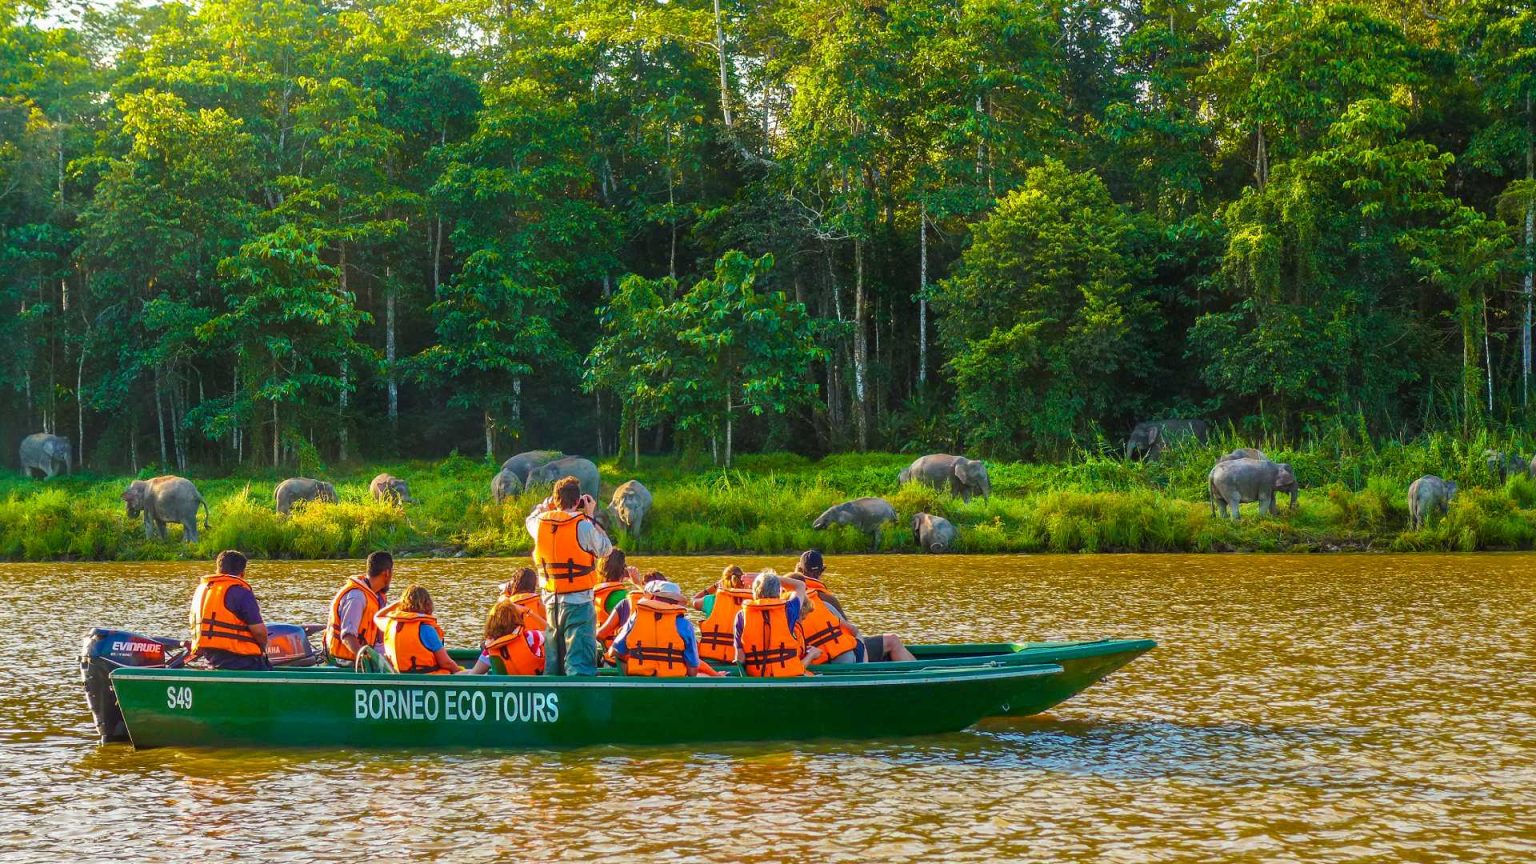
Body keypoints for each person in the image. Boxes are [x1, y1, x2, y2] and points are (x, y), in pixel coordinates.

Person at [527, 476, 613, 676]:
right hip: (579, 602)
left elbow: (530, 518)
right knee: (580, 662)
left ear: (555, 500)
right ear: (577, 502)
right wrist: (590, 515)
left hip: (550, 603)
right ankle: (579, 702)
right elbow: (606, 550)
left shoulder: (539, 524)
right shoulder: (583, 525)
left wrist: (544, 507)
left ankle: (554, 698)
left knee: (553, 661)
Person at [793, 549, 915, 664]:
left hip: (813, 656)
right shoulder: (825, 599)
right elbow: (850, 631)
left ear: (800, 570)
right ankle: (918, 673)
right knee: (893, 640)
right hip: (840, 655)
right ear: (821, 572)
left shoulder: (791, 595)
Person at [189, 550, 270, 670]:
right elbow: (259, 632)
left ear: (218, 570)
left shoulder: (202, 590)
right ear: (242, 573)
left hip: (210, 657)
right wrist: (263, 648)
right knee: (265, 666)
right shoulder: (241, 592)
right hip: (240, 660)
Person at [734, 570, 820, 677]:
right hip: (788, 674)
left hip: (756, 676)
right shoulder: (789, 610)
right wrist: (774, 578)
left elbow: (740, 658)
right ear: (778, 592)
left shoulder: (741, 616)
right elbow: (800, 585)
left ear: (754, 593)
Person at [608, 581, 702, 677]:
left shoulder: (635, 618)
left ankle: (627, 684)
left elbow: (614, 651)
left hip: (640, 680)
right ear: (676, 602)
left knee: (621, 655)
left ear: (653, 599)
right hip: (673, 681)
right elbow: (692, 667)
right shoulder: (685, 625)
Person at [324, 550, 393, 665]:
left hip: (367, 654)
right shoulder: (357, 598)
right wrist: (367, 661)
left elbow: (378, 640)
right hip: (347, 661)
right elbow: (347, 636)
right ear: (386, 573)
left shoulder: (377, 597)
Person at [376, 584, 461, 674]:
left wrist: (399, 603)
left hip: (399, 676)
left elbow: (377, 616)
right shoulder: (427, 630)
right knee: (459, 671)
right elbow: (446, 663)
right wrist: (459, 671)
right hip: (426, 679)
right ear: (428, 604)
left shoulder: (390, 625)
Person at [464, 598, 545, 675]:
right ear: (516, 619)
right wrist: (529, 611)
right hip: (533, 685)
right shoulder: (531, 637)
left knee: (466, 672)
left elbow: (473, 674)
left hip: (506, 687)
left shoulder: (490, 649)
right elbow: (552, 632)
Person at [694, 565, 755, 664]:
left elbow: (694, 599)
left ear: (722, 581)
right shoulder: (751, 602)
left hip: (710, 660)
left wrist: (713, 587)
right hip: (739, 661)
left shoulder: (711, 600)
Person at [499, 566, 548, 632]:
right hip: (536, 639)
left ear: (514, 584)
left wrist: (504, 594)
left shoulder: (506, 603)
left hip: (515, 640)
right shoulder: (538, 602)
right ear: (533, 584)